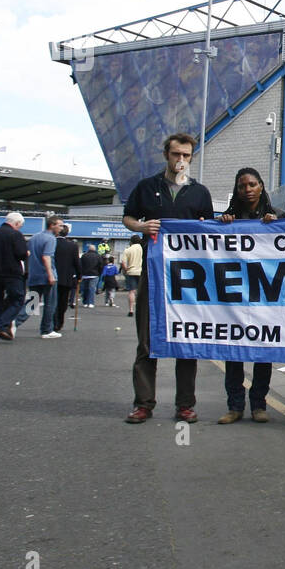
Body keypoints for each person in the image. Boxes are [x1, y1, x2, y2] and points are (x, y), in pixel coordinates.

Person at [122, 132, 215, 424]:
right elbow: (127, 218)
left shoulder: (200, 192)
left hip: (186, 279)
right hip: (153, 273)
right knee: (146, 341)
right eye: (176, 154)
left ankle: (185, 405)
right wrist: (141, 225)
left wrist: (204, 227)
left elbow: (210, 229)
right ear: (166, 155)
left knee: (186, 340)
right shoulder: (147, 187)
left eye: (186, 155)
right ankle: (143, 404)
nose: (181, 160)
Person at [215, 167, 282, 424]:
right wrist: (222, 225)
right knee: (233, 353)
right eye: (242, 186)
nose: (248, 189)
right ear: (237, 189)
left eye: (252, 184)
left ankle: (258, 405)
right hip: (234, 298)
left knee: (262, 353)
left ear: (262, 186)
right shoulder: (228, 218)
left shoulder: (277, 216)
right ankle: (234, 406)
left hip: (265, 296)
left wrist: (278, 226)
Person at [0, 212, 29, 343]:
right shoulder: (16, 234)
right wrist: (26, 253)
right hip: (11, 273)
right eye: (20, 225)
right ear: (17, 223)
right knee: (18, 299)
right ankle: (1, 326)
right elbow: (21, 254)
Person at [19, 217, 62, 339]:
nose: (61, 228)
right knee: (50, 304)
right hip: (47, 276)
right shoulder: (51, 239)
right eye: (60, 225)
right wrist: (50, 275)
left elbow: (28, 254)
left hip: (34, 275)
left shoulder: (34, 237)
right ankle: (47, 330)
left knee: (32, 303)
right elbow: (46, 257)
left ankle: (14, 322)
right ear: (52, 225)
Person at [53, 222, 80, 332]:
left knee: (52, 300)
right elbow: (76, 262)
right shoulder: (72, 246)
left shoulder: (52, 243)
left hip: (53, 276)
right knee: (63, 301)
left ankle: (52, 321)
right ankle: (59, 322)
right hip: (66, 277)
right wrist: (79, 275)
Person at [121, 234, 144, 317]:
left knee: (131, 291)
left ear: (131, 241)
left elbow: (123, 263)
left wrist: (126, 269)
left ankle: (131, 310)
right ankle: (141, 310)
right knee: (141, 292)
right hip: (141, 272)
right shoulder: (143, 249)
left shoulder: (128, 250)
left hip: (131, 272)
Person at [78, 243, 102, 307]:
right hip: (94, 274)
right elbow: (100, 266)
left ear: (89, 249)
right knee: (92, 289)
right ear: (95, 249)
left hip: (85, 274)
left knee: (85, 289)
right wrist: (99, 273)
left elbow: (80, 265)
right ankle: (91, 303)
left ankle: (85, 302)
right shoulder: (98, 256)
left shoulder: (84, 255)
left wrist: (81, 273)